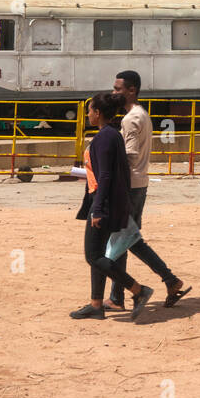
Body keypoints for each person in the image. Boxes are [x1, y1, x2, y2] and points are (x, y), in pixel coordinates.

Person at [105, 70, 190, 310]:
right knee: (123, 240)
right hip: (138, 183)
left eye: (118, 89)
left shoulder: (131, 119)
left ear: (131, 90)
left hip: (128, 185)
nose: (114, 93)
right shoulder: (142, 114)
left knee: (128, 240)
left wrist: (106, 160)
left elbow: (130, 154)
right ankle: (117, 297)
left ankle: (170, 279)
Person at [69, 91, 156, 321]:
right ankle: (96, 304)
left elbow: (106, 176)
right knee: (98, 254)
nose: (87, 114)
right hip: (108, 202)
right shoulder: (110, 135)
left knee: (93, 256)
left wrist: (98, 209)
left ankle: (138, 290)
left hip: (104, 204)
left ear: (98, 113)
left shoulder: (105, 137)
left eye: (89, 111)